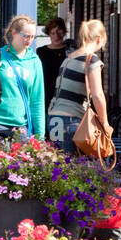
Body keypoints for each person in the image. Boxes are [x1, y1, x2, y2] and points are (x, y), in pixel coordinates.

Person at [47, 18, 109, 153]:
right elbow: (98, 95)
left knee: (58, 161)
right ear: (99, 39)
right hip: (71, 119)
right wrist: (104, 123)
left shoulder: (68, 58)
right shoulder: (91, 60)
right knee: (74, 163)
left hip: (53, 117)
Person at [0, 14, 45, 140]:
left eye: (32, 36)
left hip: (21, 127)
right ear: (14, 33)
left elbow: (37, 101)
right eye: (25, 36)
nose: (29, 40)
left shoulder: (34, 61)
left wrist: (40, 137)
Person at [37, 17, 71, 109]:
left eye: (59, 32)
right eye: (53, 33)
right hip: (46, 97)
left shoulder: (70, 51)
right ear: (48, 34)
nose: (56, 36)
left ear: (64, 32)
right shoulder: (40, 52)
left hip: (66, 98)